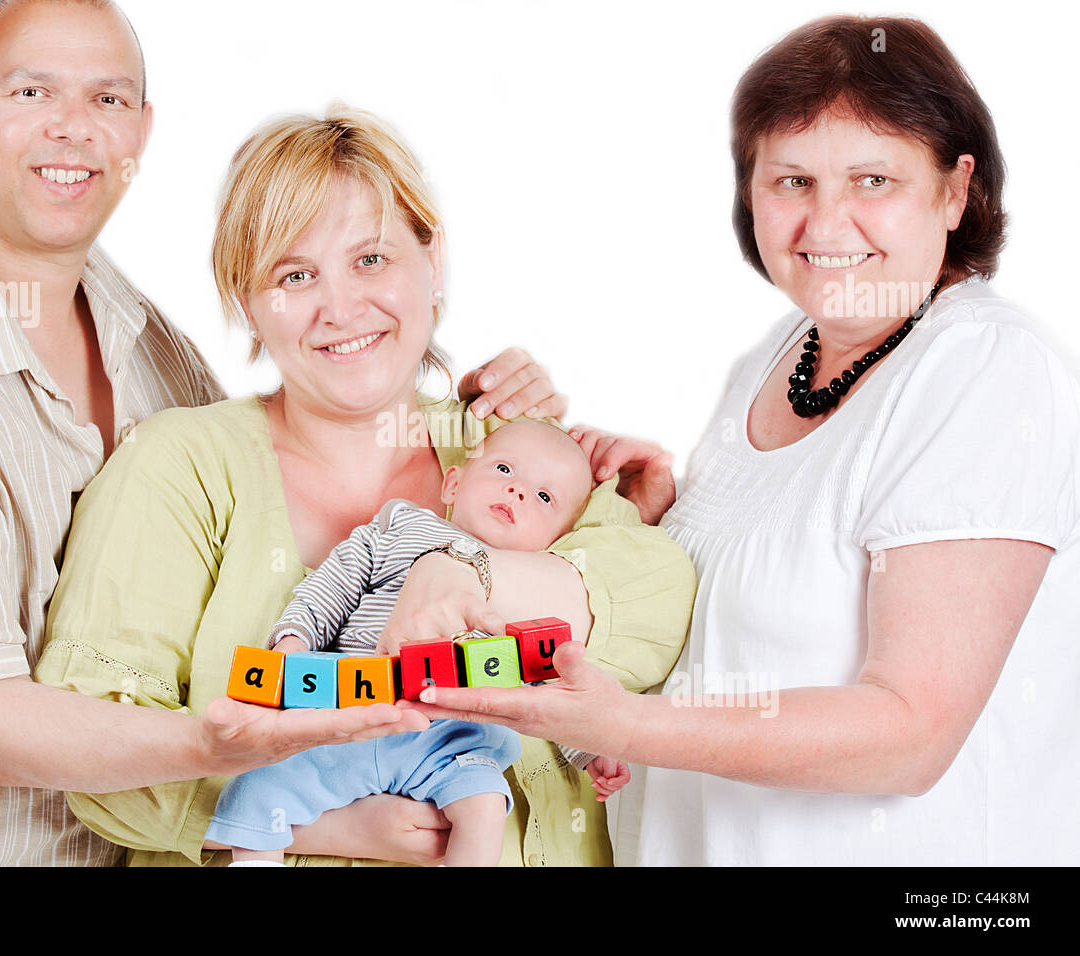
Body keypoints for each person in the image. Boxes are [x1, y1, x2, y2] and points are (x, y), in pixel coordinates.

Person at [0, 0, 545, 866]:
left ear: (141, 134)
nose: (73, 129)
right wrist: (250, 772)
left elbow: (295, 436)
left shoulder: (140, 337)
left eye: (108, 101)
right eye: (33, 91)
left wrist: (493, 431)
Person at [406, 15, 1080, 866]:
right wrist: (657, 517)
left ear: (955, 190)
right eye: (791, 180)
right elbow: (755, 627)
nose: (827, 223)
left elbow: (909, 731)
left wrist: (621, 724)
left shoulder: (984, 369)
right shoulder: (776, 359)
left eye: (874, 179)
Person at [34, 105, 696, 867]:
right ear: (249, 303)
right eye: (294, 274)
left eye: (372, 259)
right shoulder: (182, 466)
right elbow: (85, 743)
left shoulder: (508, 445)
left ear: (432, 259)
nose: (341, 308)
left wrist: (463, 572)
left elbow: (656, 607)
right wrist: (316, 823)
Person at [211, 420, 635, 867]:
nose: (519, 492)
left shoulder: (525, 587)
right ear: (454, 484)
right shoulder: (401, 526)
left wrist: (587, 750)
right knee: (257, 785)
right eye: (505, 469)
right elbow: (332, 586)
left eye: (545, 497)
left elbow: (548, 689)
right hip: (345, 713)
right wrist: (293, 642)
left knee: (486, 804)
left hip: (450, 742)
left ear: (555, 540)